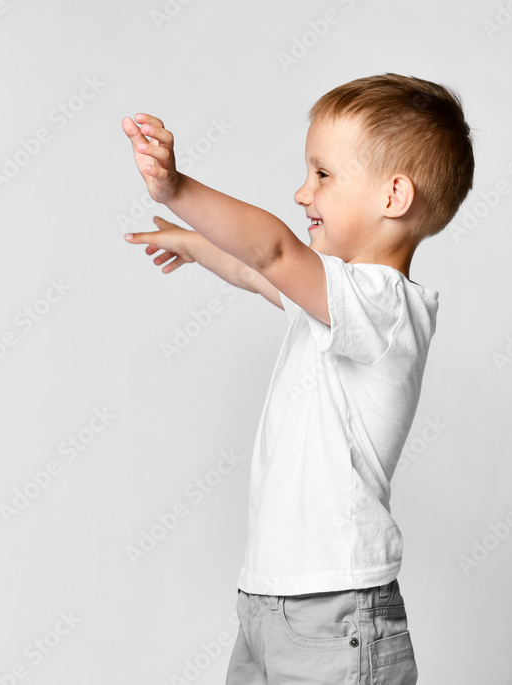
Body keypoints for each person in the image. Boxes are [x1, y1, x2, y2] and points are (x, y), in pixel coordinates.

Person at [120, 73, 474, 685]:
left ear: (394, 195)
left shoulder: (383, 306)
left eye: (323, 174)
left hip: (335, 610)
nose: (301, 191)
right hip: (270, 601)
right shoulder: (334, 304)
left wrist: (178, 189)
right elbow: (255, 271)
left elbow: (274, 254)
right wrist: (194, 244)